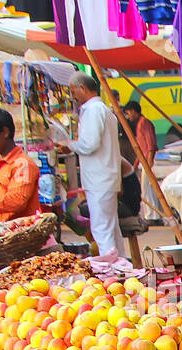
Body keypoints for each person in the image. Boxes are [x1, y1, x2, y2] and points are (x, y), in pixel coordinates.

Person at [59, 71, 121, 258]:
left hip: (100, 178)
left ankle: (111, 269)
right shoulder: (102, 110)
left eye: (73, 91)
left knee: (102, 229)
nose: (72, 96)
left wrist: (69, 146)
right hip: (104, 177)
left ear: (82, 88)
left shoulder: (94, 110)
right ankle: (120, 266)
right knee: (110, 228)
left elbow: (89, 144)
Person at [122, 99, 159, 220]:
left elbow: (150, 145)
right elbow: (141, 148)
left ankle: (152, 216)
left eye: (128, 113)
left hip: (147, 163)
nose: (128, 116)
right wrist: (135, 164)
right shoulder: (139, 124)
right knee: (148, 190)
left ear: (133, 111)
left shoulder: (144, 123)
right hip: (143, 162)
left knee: (147, 190)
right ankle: (153, 215)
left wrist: (148, 164)